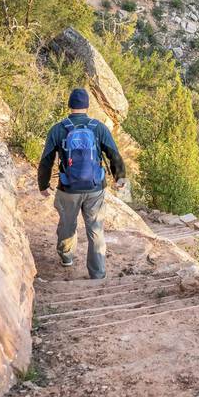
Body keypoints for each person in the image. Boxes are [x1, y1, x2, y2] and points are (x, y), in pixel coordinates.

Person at [37, 88, 126, 279]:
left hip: (68, 188)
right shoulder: (98, 127)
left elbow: (46, 160)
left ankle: (66, 257)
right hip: (95, 188)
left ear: (70, 105)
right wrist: (120, 177)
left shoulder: (58, 129)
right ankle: (98, 273)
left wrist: (43, 184)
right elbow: (113, 154)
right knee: (95, 229)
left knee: (67, 225)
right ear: (86, 106)